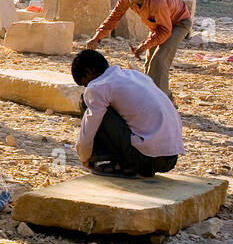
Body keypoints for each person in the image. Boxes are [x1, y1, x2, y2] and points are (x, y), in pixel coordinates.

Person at [70, 48, 182, 177]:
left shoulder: (98, 87)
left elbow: (90, 126)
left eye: (86, 83)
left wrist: (84, 157)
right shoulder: (135, 75)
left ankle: (120, 163)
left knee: (86, 102)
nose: (88, 86)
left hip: (146, 159)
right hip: (171, 158)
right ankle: (129, 161)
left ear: (89, 72)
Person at [85, 0, 191, 100]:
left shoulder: (157, 4)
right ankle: (149, 96)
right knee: (149, 62)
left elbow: (165, 31)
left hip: (178, 23)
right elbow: (113, 18)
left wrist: (144, 45)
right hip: (158, 25)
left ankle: (164, 101)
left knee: (159, 60)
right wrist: (98, 37)